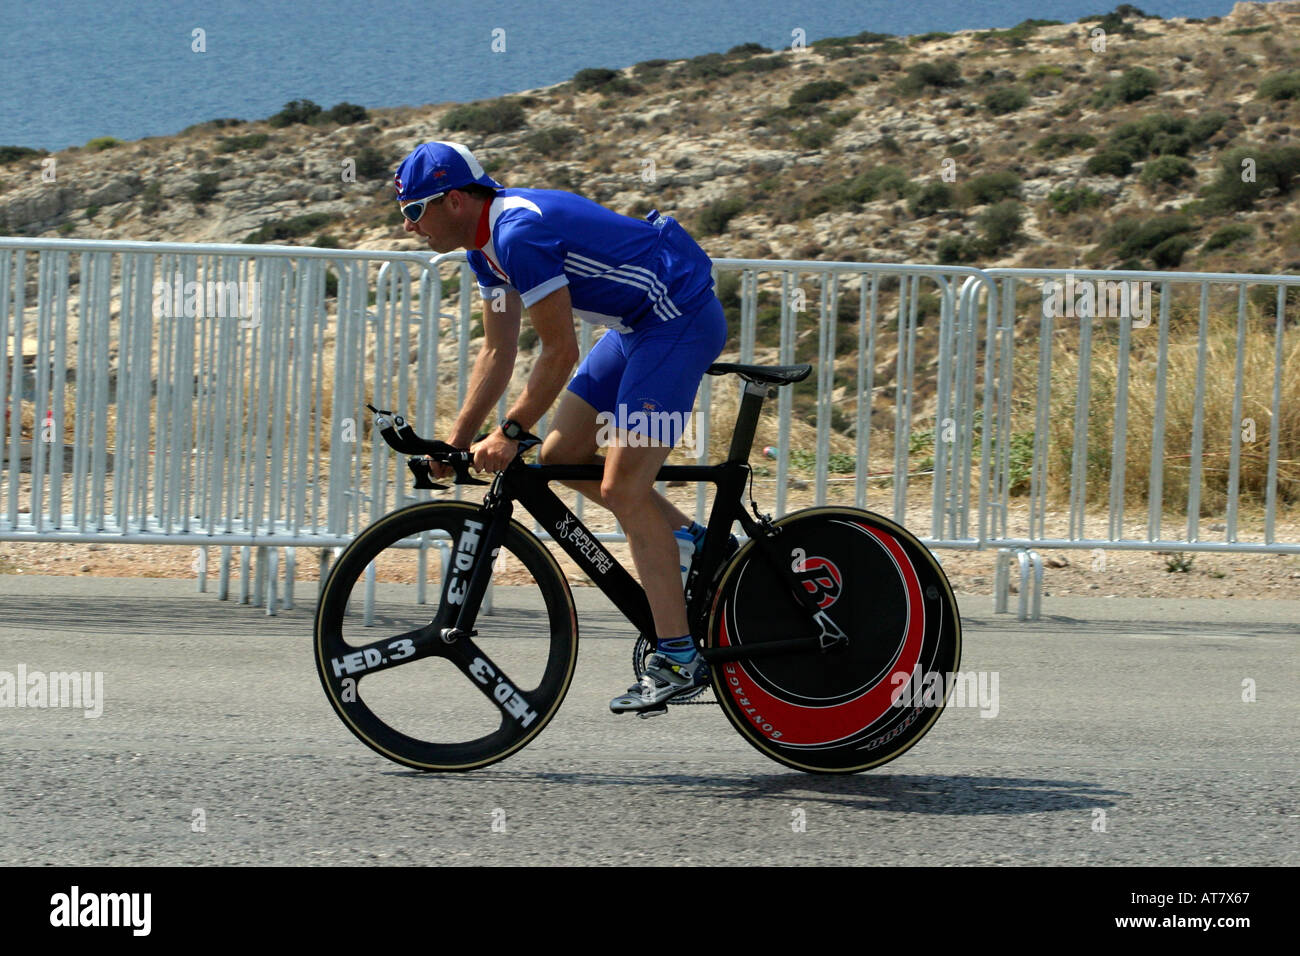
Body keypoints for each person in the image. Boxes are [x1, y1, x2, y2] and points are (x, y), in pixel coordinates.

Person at [394, 141, 728, 714]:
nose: (407, 227)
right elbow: (497, 355)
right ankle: (696, 546)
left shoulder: (518, 234)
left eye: (415, 211)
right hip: (635, 326)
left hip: (679, 318)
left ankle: (679, 657)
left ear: (453, 200)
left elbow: (559, 352)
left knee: (623, 486)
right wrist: (456, 442)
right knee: (560, 453)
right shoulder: (484, 250)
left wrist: (509, 430)